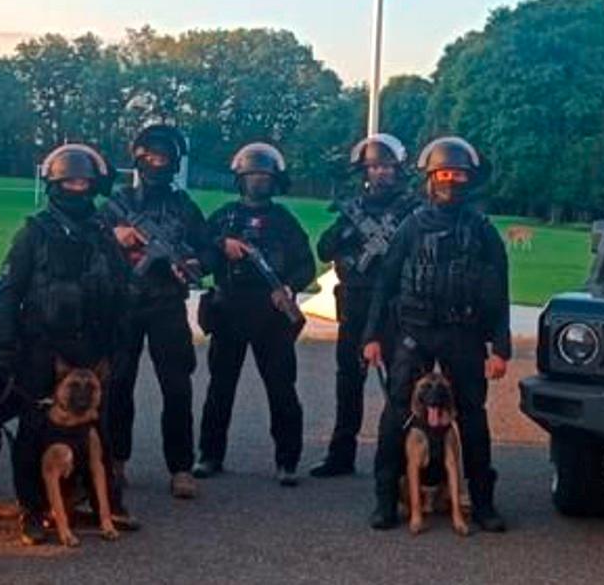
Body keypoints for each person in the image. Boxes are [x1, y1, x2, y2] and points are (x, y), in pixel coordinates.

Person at [362, 136, 511, 533]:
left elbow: (500, 290)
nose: (451, 182)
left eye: (458, 175)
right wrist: (371, 336)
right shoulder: (411, 227)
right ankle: (385, 501)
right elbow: (386, 283)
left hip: (464, 334)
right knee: (396, 414)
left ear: (469, 180)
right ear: (430, 179)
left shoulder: (482, 231)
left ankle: (483, 504)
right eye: (443, 174)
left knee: (473, 418)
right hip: (415, 332)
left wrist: (501, 347)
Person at [0, 144, 133, 544]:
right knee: (33, 431)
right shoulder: (33, 233)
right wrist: (6, 344)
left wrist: (120, 344)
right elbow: (9, 292)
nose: (77, 187)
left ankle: (103, 503)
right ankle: (33, 510)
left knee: (99, 429)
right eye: (69, 181)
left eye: (84, 182)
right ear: (55, 184)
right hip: (42, 349)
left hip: (93, 348)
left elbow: (122, 289)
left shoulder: (104, 233)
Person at [103, 123, 217, 500]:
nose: (157, 162)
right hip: (123, 304)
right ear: (139, 158)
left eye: (164, 157)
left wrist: (193, 263)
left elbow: (209, 250)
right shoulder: (118, 203)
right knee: (118, 385)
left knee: (177, 387)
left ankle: (180, 467)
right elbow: (86, 242)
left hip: (167, 304)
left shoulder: (184, 207)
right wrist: (115, 236)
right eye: (151, 155)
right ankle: (115, 461)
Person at [195, 143, 315, 487]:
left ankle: (287, 461)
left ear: (275, 181)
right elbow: (200, 253)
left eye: (264, 175)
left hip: (271, 314)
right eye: (252, 175)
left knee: (282, 389)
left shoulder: (285, 221)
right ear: (240, 179)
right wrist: (221, 245)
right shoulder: (224, 218)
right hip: (229, 310)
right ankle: (210, 455)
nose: (258, 181)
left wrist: (289, 287)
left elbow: (306, 265)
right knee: (220, 389)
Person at [309, 134, 420, 478]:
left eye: (386, 166)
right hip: (355, 305)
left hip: (395, 308)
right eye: (373, 167)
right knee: (348, 382)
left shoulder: (413, 211)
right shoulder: (352, 211)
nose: (380, 173)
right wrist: (348, 238)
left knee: (401, 384)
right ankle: (341, 454)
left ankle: (402, 458)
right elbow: (324, 250)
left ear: (398, 169)